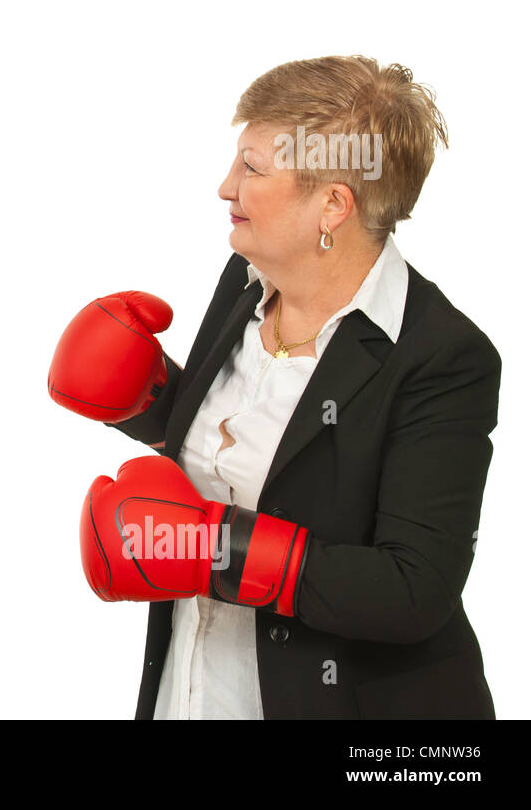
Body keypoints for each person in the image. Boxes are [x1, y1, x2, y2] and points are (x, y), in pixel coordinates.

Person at [49, 55, 498, 718]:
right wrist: (144, 397)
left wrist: (211, 549)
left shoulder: (440, 357)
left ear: (333, 204)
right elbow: (252, 450)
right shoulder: (249, 282)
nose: (225, 187)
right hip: (193, 690)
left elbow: (413, 589)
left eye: (252, 168)